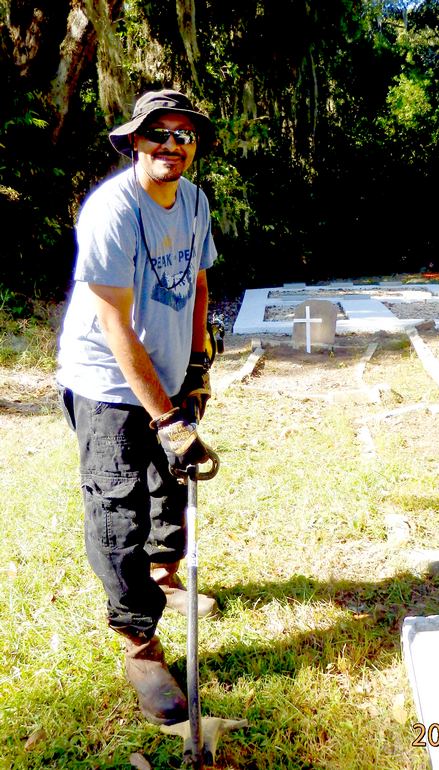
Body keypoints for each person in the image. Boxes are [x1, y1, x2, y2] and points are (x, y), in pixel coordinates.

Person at [57, 89, 218, 726]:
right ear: (134, 142)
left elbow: (201, 282)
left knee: (169, 487)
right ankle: (139, 645)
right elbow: (114, 325)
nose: (171, 145)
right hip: (108, 383)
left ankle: (164, 574)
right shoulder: (111, 210)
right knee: (118, 507)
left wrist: (197, 367)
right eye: (158, 133)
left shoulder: (198, 202)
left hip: (168, 372)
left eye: (183, 134)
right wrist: (167, 418)